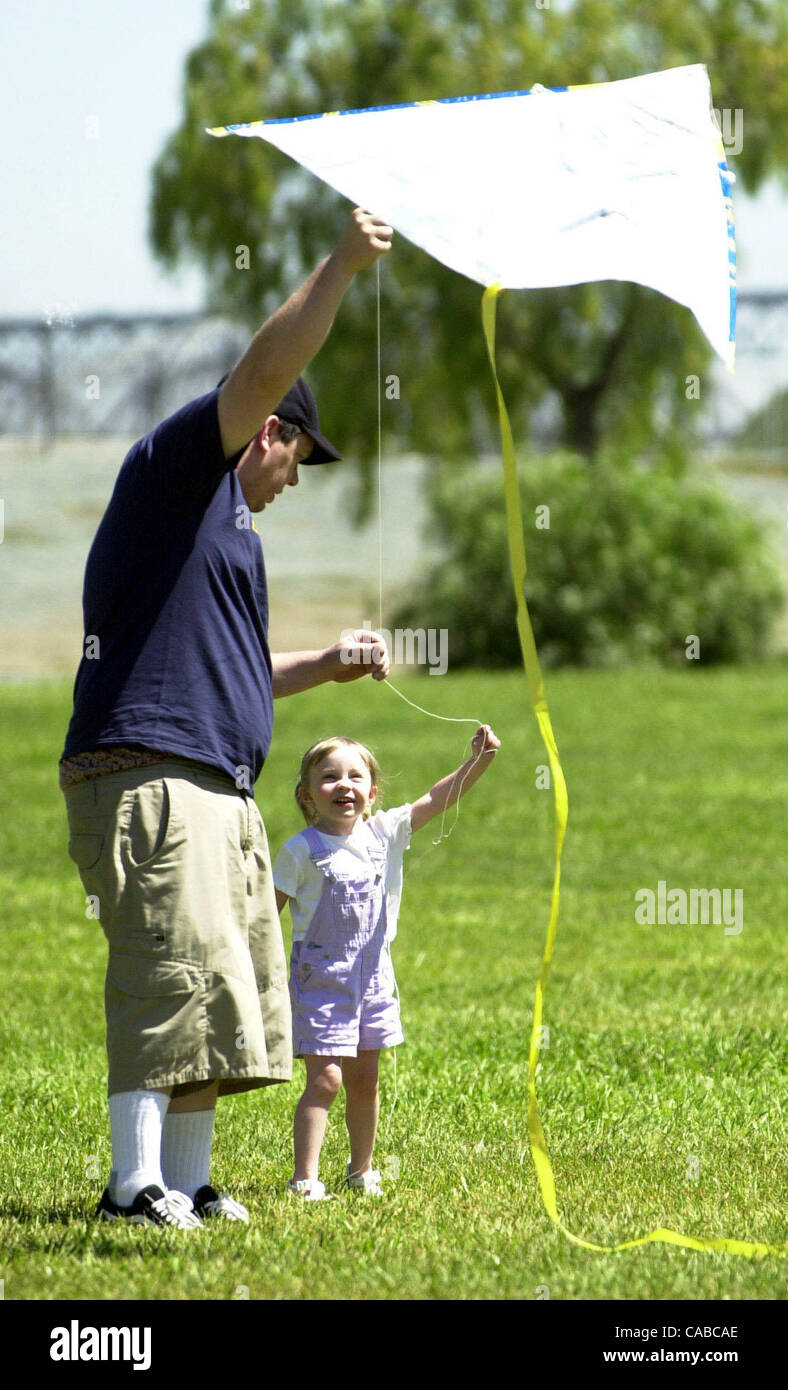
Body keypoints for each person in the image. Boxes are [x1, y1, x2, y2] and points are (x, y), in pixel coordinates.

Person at [60, 209, 394, 1228]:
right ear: (270, 433)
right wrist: (341, 264)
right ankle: (132, 1184)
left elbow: (236, 668)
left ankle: (191, 1181)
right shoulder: (177, 476)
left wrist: (325, 665)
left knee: (222, 988)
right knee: (170, 972)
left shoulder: (231, 536)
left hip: (217, 779)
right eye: (299, 455)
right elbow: (261, 365)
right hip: (152, 770)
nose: (295, 479)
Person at [273, 724, 501, 1201]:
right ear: (307, 795)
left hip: (375, 981)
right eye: (329, 777)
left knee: (365, 1077)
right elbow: (265, 911)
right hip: (321, 982)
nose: (344, 785)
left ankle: (361, 1170)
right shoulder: (300, 852)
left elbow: (436, 800)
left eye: (355, 777)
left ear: (372, 793)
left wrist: (478, 761)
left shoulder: (384, 832)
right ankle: (304, 1179)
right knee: (326, 1078)